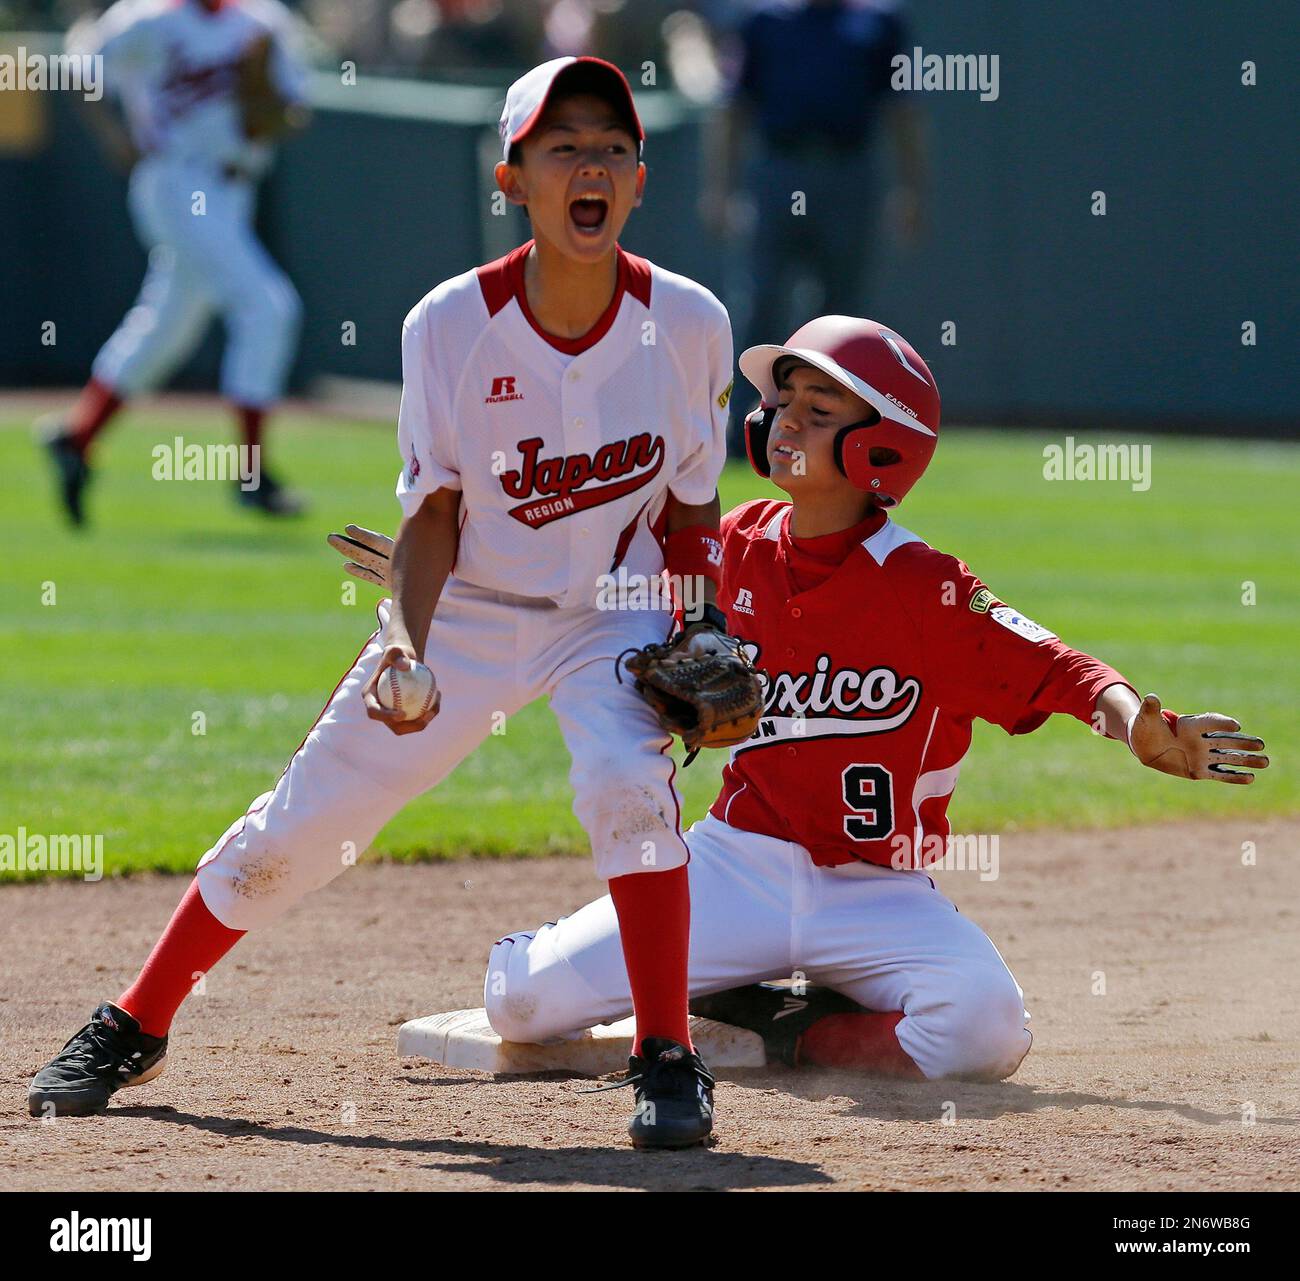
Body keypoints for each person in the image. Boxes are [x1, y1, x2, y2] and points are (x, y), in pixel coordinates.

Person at [28, 56, 737, 1151]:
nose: (588, 166)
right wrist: (406, 643)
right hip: (468, 610)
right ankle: (140, 1019)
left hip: (613, 608)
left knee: (622, 784)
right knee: (297, 831)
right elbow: (434, 516)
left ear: (638, 180)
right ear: (512, 179)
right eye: (562, 148)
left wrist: (701, 623)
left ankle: (665, 1055)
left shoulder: (687, 322)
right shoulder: (449, 324)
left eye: (610, 147)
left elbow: (693, 511)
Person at [465, 316, 1266, 1079]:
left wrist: (1135, 729)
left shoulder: (929, 589)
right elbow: (599, 602)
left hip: (878, 892)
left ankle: (788, 1026)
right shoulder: (733, 547)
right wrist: (475, 584)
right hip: (735, 864)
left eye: (818, 411)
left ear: (880, 445)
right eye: (782, 404)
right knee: (521, 1002)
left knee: (982, 1027)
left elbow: (1062, 668)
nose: (784, 423)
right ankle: (659, 969)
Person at [39, 0, 310, 524]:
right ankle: (251, 474)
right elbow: (79, 68)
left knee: (168, 328)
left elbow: (292, 112)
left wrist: (268, 106)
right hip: (176, 181)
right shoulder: (148, 17)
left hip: (234, 190)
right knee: (267, 307)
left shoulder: (264, 21)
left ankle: (76, 438)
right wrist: (114, 135)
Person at [702, 0, 927, 453]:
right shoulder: (763, 21)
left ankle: (836, 431)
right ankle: (747, 427)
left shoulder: (877, 22)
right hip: (779, 168)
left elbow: (902, 110)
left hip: (849, 170)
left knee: (843, 317)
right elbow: (734, 108)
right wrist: (720, 188)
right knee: (761, 300)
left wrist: (911, 189)